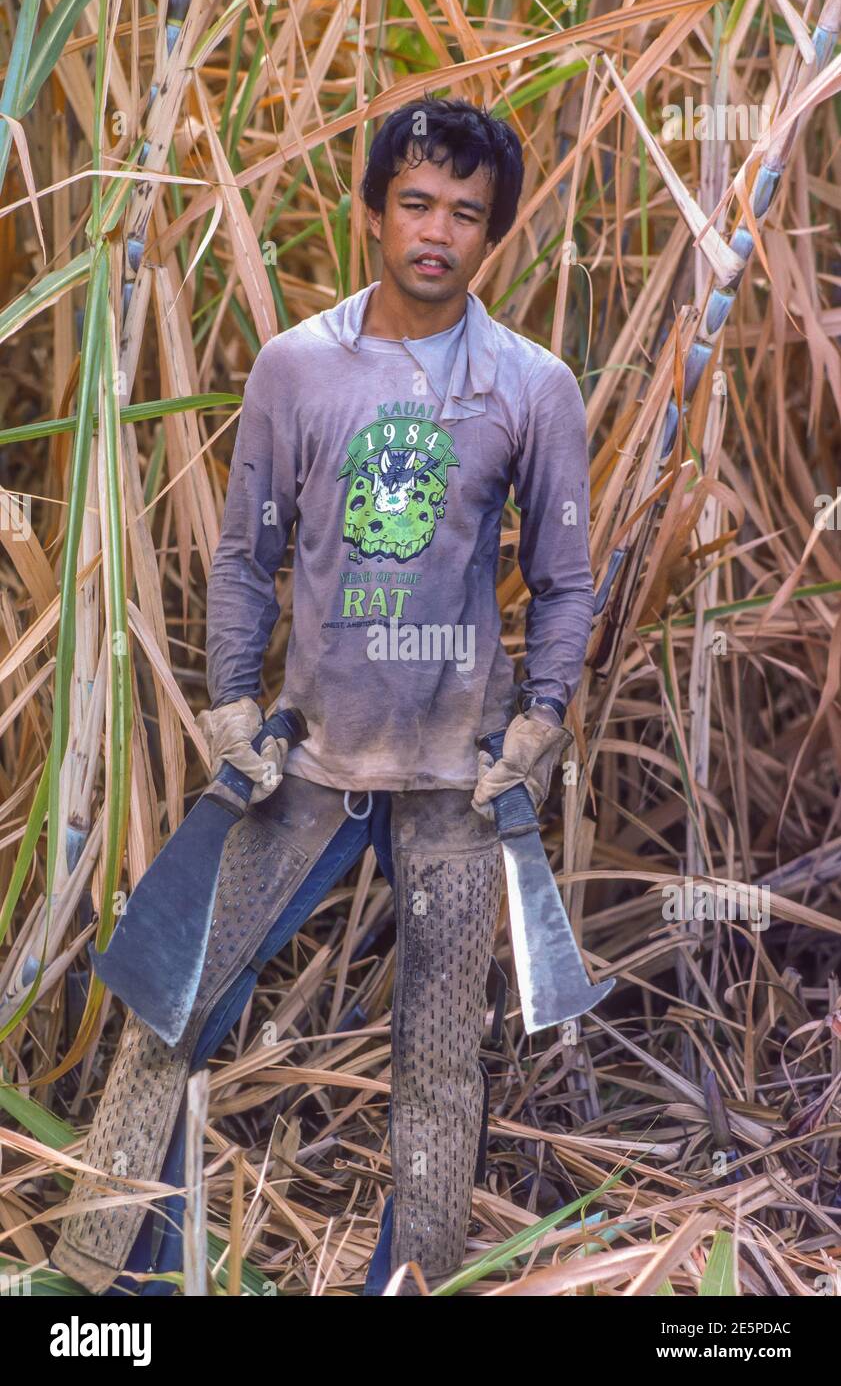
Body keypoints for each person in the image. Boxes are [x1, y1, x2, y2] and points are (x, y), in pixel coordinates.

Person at [51, 94, 594, 1296]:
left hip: (461, 777)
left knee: (444, 1063)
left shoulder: (531, 384)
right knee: (170, 999)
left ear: (491, 233)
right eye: (414, 204)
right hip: (300, 764)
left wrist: (542, 719)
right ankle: (97, 1283)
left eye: (465, 212)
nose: (436, 233)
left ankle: (412, 1282)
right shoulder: (299, 368)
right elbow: (246, 556)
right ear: (371, 213)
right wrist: (233, 707)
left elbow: (564, 580)